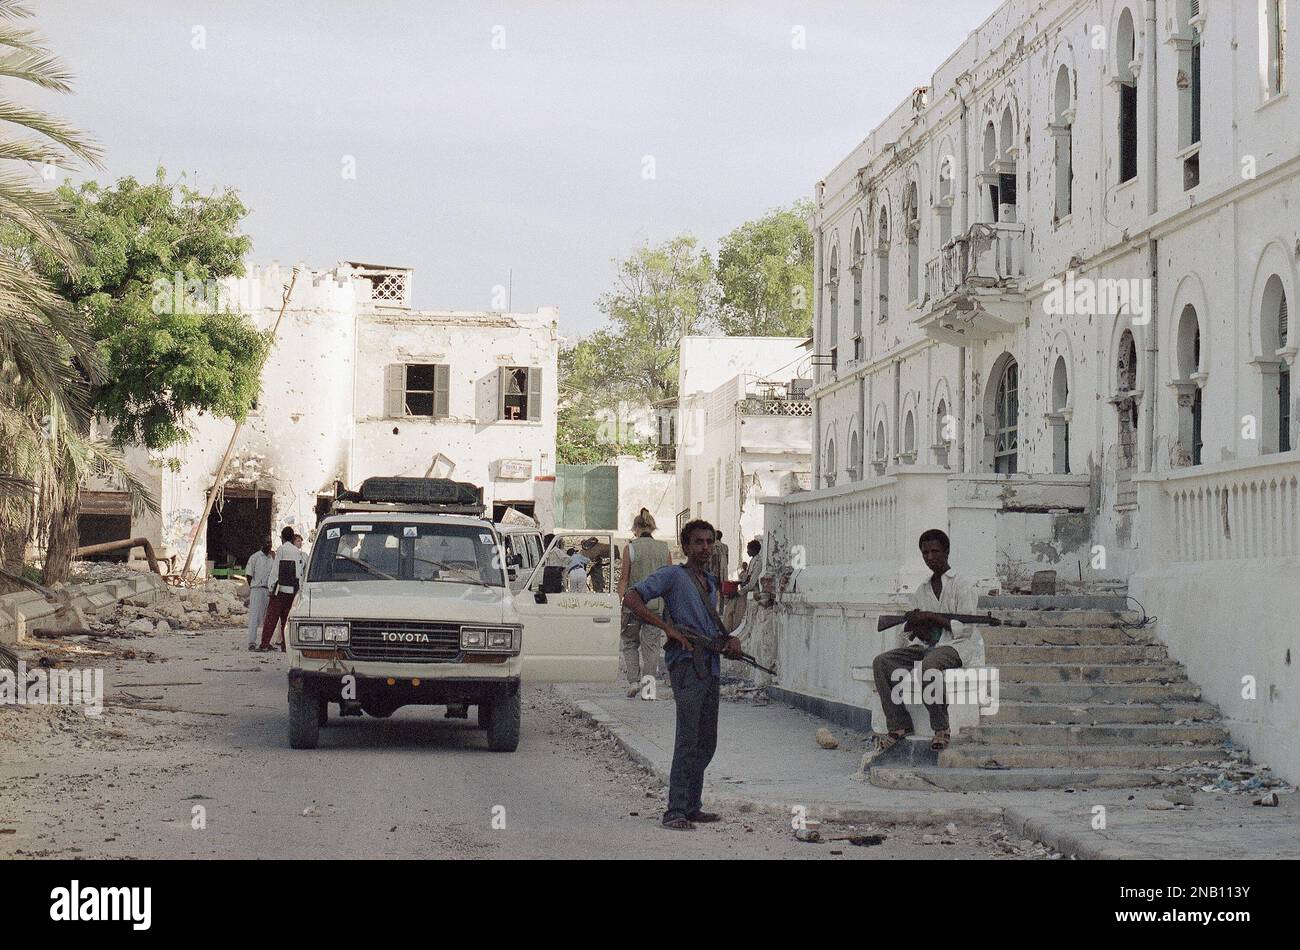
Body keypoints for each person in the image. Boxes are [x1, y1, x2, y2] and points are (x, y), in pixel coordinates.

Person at [622, 519, 742, 830]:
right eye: (698, 542)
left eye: (708, 542)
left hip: (710, 664)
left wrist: (729, 641)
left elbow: (711, 625)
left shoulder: (710, 581)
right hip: (687, 665)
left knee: (707, 741)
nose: (705, 547)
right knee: (688, 739)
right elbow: (632, 597)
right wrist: (666, 628)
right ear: (686, 546)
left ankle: (692, 806)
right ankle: (674, 810)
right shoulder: (672, 575)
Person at [871, 529, 980, 753]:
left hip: (956, 647)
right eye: (925, 553)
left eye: (935, 551)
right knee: (882, 662)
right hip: (926, 646)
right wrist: (914, 625)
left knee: (930, 666)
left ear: (946, 552)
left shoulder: (962, 585)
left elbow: (966, 629)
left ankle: (941, 728)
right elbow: (909, 634)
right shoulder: (922, 589)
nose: (930, 557)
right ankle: (899, 725)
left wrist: (932, 617)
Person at [617, 508, 672, 698]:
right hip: (655, 608)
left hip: (633, 606)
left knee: (630, 643)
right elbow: (670, 579)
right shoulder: (664, 549)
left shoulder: (630, 548)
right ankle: (648, 689)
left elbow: (624, 578)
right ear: (652, 528)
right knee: (652, 647)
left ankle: (633, 682)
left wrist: (621, 601)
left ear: (635, 529)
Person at [259, 526, 302, 652]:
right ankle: (285, 645)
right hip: (293, 590)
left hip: (280, 589)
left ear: (282, 537)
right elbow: (299, 572)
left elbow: (276, 569)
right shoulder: (297, 551)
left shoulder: (281, 549)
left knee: (271, 618)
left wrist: (271, 586)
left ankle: (264, 644)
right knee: (286, 620)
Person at [244, 539, 274, 651]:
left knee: (268, 617)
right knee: (254, 616)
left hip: (267, 590)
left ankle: (266, 642)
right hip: (256, 589)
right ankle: (252, 642)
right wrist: (254, 585)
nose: (269, 545)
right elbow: (249, 574)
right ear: (262, 544)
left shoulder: (271, 559)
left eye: (270, 543)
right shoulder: (255, 557)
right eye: (266, 543)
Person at [708, 530, 730, 611]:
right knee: (722, 592)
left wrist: (711, 571)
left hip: (714, 571)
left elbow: (713, 559)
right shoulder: (725, 547)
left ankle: (713, 610)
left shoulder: (713, 546)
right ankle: (721, 610)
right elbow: (727, 560)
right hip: (723, 571)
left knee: (713, 591)